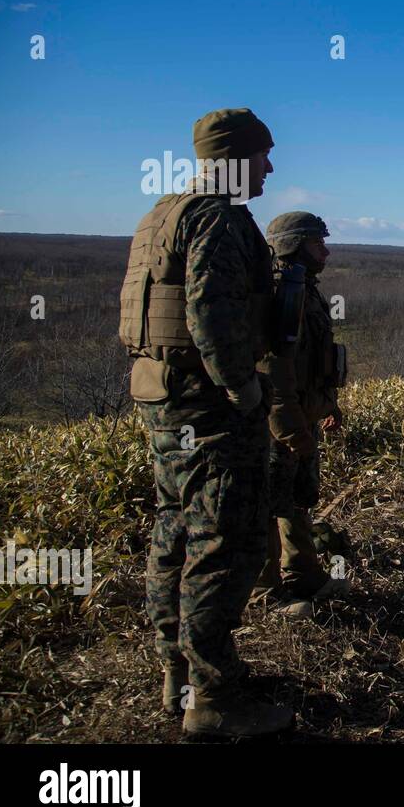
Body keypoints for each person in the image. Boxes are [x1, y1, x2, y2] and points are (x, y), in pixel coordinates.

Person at [118, 107, 292, 737]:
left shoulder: (163, 212)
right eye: (263, 154)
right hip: (208, 404)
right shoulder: (218, 217)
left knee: (175, 532)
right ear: (233, 156)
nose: (270, 166)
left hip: (162, 398)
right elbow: (209, 313)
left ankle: (179, 673)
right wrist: (244, 389)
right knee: (226, 540)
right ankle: (216, 700)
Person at [251, 211, 348, 617]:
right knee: (267, 506)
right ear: (293, 245)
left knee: (296, 501)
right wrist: (289, 427)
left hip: (303, 415)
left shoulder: (303, 288)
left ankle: (304, 576)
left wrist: (328, 405)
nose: (325, 250)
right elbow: (274, 369)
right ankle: (264, 595)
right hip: (281, 423)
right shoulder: (283, 292)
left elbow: (311, 361)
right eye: (316, 243)